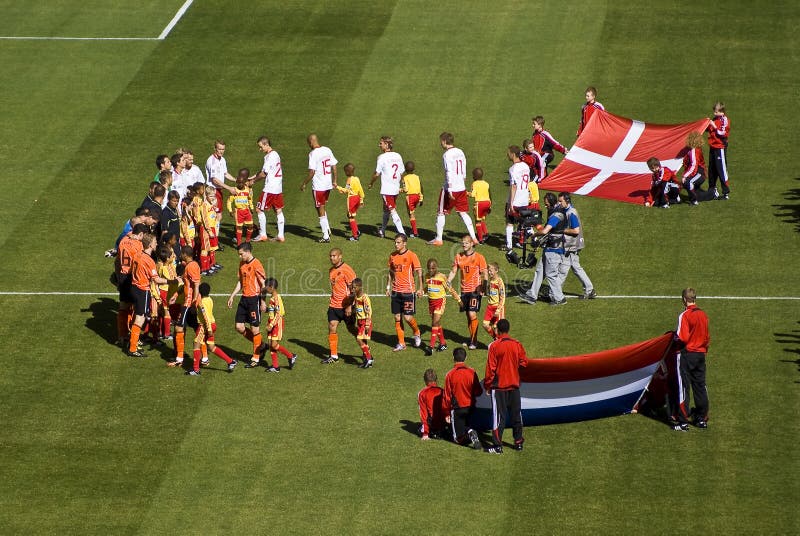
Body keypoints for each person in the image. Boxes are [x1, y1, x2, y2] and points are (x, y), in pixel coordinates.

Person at [483, 319, 528, 453]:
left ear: (499, 330)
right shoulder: (517, 344)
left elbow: (490, 369)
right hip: (514, 386)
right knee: (516, 415)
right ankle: (518, 442)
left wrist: (487, 385)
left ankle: (497, 446)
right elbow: (524, 362)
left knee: (499, 417)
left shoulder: (494, 346)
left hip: (499, 388)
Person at [671, 288, 711, 431]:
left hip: (687, 355)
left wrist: (674, 336)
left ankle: (682, 422)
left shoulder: (685, 315)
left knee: (684, 387)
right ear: (695, 298)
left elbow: (683, 337)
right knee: (700, 386)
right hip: (700, 355)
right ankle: (701, 419)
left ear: (683, 299)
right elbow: (707, 338)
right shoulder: (703, 315)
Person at [428, 132, 477, 246]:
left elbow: (449, 172)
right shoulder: (460, 152)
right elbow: (464, 169)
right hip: (461, 187)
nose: (440, 144)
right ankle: (474, 238)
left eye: (441, 141)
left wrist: (450, 189)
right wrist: (462, 182)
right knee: (463, 213)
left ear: (445, 141)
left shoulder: (447, 155)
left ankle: (439, 239)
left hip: (450, 188)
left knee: (441, 212)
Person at [126, 234, 169, 357]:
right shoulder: (149, 260)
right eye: (155, 242)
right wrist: (172, 281)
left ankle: (133, 342)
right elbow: (157, 280)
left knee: (137, 316)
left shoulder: (137, 254)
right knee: (140, 318)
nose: (156, 244)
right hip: (142, 290)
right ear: (150, 244)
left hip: (133, 287)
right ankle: (133, 348)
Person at [227, 242, 266, 368]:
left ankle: (256, 357)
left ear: (248, 252)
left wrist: (263, 301)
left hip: (254, 300)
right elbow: (240, 281)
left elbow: (263, 284)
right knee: (239, 327)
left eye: (241, 254)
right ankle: (262, 345)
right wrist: (232, 296)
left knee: (255, 329)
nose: (240, 257)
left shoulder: (256, 264)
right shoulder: (242, 264)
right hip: (244, 299)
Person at [187, 282, 237, 376]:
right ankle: (230, 361)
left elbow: (205, 316)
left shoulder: (201, 303)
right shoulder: (210, 299)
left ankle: (196, 369)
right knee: (211, 347)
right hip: (213, 324)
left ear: (200, 292)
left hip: (205, 326)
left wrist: (208, 329)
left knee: (196, 344)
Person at [447, 235, 488, 349]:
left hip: (475, 290)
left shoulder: (479, 257)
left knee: (472, 313)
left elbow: (485, 274)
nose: (463, 245)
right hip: (464, 291)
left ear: (471, 244)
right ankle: (472, 339)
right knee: (468, 316)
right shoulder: (458, 256)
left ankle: (474, 341)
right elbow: (454, 271)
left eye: (466, 243)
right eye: (463, 243)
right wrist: (449, 280)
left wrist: (484, 287)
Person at [386, 234, 424, 352]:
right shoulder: (392, 256)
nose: (396, 244)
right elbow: (391, 272)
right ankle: (401, 343)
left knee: (407, 317)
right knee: (397, 317)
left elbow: (419, 272)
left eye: (398, 242)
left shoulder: (412, 255)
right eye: (395, 242)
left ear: (404, 243)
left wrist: (420, 288)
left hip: (408, 292)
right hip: (396, 291)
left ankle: (417, 332)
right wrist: (388, 286)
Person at [300, 133, 338, 243]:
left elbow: (312, 172)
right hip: (327, 185)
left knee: (319, 209)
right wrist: (334, 180)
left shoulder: (312, 154)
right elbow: (334, 165)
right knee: (321, 206)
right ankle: (327, 229)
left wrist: (304, 183)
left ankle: (326, 236)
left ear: (311, 142)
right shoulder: (327, 149)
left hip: (319, 186)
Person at [558, 192, 596, 300]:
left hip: (571, 246)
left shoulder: (571, 213)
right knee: (576, 267)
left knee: (563, 269)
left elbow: (575, 231)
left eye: (561, 201)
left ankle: (555, 293)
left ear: (567, 201)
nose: (559, 203)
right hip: (573, 244)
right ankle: (590, 290)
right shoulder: (569, 210)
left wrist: (562, 230)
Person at [168, 245, 201, 368]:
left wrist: (193, 302)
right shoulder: (189, 266)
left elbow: (196, 285)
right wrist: (176, 294)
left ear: (185, 255)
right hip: (187, 301)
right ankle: (204, 355)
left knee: (179, 328)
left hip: (188, 303)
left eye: (181, 253)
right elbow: (187, 285)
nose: (180, 255)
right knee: (197, 326)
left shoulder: (191, 266)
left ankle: (179, 358)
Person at [443, 347, 482, 449]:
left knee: (458, 439)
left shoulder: (450, 375)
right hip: (471, 408)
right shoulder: (472, 372)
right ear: (466, 358)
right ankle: (470, 431)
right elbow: (479, 392)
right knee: (465, 424)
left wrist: (447, 412)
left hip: (457, 409)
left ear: (453, 358)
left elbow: (447, 396)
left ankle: (469, 433)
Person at [115, 223, 147, 346]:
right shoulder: (138, 244)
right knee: (137, 309)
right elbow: (139, 263)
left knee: (123, 307)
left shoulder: (123, 241)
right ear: (140, 234)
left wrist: (118, 277)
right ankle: (134, 338)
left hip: (122, 276)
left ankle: (122, 336)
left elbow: (117, 261)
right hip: (132, 277)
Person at [322, 248, 357, 364]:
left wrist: (349, 306)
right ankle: (334, 355)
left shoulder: (347, 270)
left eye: (334, 256)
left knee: (352, 329)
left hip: (346, 306)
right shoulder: (331, 270)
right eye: (330, 256)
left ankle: (365, 348)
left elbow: (354, 290)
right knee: (332, 326)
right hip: (334, 305)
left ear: (340, 256)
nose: (332, 258)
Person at [533, 193, 567, 306]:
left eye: (547, 204)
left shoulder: (556, 215)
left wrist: (534, 235)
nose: (545, 206)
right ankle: (532, 295)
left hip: (554, 249)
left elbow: (544, 231)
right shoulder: (554, 211)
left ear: (552, 203)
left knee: (551, 275)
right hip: (549, 248)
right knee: (539, 271)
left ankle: (560, 298)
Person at [369, 136, 407, 236]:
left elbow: (377, 174)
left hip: (387, 189)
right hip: (396, 187)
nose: (379, 145)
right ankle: (382, 231)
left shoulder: (382, 157)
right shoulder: (398, 156)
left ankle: (402, 233)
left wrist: (371, 183)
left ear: (386, 144)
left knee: (392, 210)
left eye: (381, 143)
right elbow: (402, 172)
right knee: (386, 209)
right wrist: (403, 183)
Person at [258, 277, 298, 373]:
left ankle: (291, 356)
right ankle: (275, 366)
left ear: (271, 287)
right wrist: (267, 310)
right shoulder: (272, 297)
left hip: (277, 323)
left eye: (266, 287)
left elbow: (279, 313)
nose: (265, 289)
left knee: (274, 344)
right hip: (272, 322)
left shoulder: (276, 298)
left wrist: (271, 325)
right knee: (271, 344)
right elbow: (274, 310)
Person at [252, 136, 287, 242]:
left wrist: (253, 181)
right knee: (278, 210)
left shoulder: (269, 156)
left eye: (261, 146)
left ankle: (263, 234)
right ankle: (281, 236)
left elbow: (263, 174)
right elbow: (264, 170)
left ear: (266, 144)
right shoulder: (275, 154)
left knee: (259, 209)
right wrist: (252, 177)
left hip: (270, 188)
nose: (260, 149)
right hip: (278, 188)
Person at [424, 258, 462, 353]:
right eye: (429, 268)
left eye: (433, 268)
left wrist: (458, 299)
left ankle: (431, 347)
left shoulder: (442, 277)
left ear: (436, 267)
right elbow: (427, 287)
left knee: (434, 322)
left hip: (440, 302)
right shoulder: (427, 276)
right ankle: (443, 343)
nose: (431, 270)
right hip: (431, 302)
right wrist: (421, 291)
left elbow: (450, 289)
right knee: (437, 324)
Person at [503, 145, 533, 252]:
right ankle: (523, 241)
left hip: (516, 200)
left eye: (508, 153)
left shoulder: (513, 169)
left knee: (510, 222)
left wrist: (511, 203)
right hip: (524, 199)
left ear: (513, 154)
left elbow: (514, 186)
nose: (507, 155)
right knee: (523, 222)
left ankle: (509, 245)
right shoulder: (525, 166)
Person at [706, 101, 731, 200]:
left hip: (720, 148)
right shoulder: (715, 119)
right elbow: (709, 129)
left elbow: (723, 133)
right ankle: (712, 190)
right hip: (712, 147)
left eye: (716, 112)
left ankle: (726, 193)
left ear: (722, 112)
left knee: (721, 170)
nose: (714, 114)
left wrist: (714, 125)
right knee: (711, 170)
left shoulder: (725, 120)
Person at [205, 140, 236, 214]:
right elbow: (214, 180)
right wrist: (229, 188)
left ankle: (216, 226)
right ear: (215, 148)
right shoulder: (212, 161)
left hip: (219, 190)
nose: (221, 151)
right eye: (219, 149)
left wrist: (236, 180)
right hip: (212, 191)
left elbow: (225, 173)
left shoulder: (222, 159)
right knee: (214, 213)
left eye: (223, 149)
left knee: (219, 213)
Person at [225, 169, 255, 246]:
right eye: (239, 183)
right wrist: (230, 211)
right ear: (236, 182)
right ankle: (239, 244)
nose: (240, 184)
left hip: (247, 210)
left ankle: (248, 241)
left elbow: (250, 199)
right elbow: (229, 201)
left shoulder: (247, 190)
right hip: (238, 211)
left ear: (244, 182)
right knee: (239, 227)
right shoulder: (234, 191)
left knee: (251, 226)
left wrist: (251, 207)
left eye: (242, 183)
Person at [349, 278, 374, 368]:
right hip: (359, 321)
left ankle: (368, 358)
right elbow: (357, 308)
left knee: (359, 339)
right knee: (363, 341)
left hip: (365, 321)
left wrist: (367, 324)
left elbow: (369, 311)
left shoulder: (364, 297)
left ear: (359, 287)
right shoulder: (356, 296)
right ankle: (368, 358)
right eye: (352, 287)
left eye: (355, 287)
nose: (353, 289)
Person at [336, 163, 365, 241]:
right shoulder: (357, 178)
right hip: (358, 198)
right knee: (350, 215)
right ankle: (357, 231)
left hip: (352, 199)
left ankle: (355, 236)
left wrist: (337, 187)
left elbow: (346, 190)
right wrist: (361, 200)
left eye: (345, 171)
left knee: (350, 217)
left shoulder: (349, 179)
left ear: (348, 172)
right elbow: (360, 190)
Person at [681, 132, 710, 205]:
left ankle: (694, 201)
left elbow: (694, 165)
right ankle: (711, 193)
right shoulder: (693, 150)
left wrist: (685, 176)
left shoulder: (694, 151)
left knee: (688, 183)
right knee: (697, 194)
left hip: (700, 173)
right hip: (697, 172)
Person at [417, 368, 445, 440]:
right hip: (444, 423)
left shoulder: (422, 393)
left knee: (419, 430)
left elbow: (423, 414)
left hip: (432, 423)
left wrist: (425, 433)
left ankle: (433, 432)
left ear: (425, 380)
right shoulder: (443, 391)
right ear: (436, 379)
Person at [467, 167, 491, 244]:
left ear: (475, 176)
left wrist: (466, 193)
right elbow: (489, 194)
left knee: (477, 221)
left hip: (479, 203)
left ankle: (480, 239)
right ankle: (486, 233)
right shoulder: (486, 183)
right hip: (487, 202)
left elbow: (473, 195)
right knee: (482, 219)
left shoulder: (474, 184)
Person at [483, 262, 506, 340]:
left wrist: (499, 309)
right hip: (490, 307)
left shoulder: (499, 281)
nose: (489, 273)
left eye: (491, 271)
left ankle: (499, 342)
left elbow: (502, 297)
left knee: (497, 328)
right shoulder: (491, 280)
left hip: (496, 308)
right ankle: (496, 339)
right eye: (488, 271)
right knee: (485, 324)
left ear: (496, 270)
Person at [401, 161, 423, 238]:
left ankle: (415, 232)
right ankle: (413, 229)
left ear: (405, 169)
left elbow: (405, 189)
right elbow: (421, 187)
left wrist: (399, 190)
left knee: (411, 215)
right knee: (412, 213)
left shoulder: (405, 178)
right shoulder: (417, 177)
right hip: (417, 196)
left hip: (410, 197)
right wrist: (421, 199)